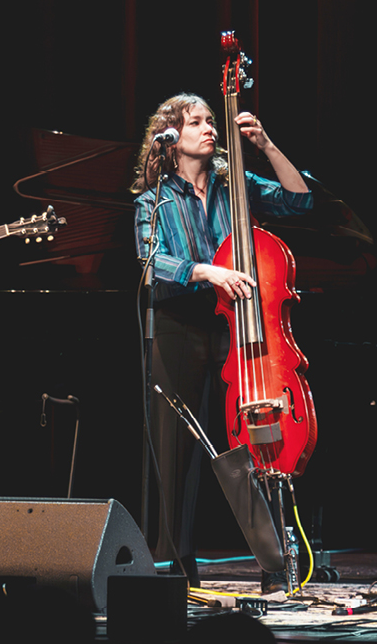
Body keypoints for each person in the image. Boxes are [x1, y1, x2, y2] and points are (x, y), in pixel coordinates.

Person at [132, 93, 313, 590]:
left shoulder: (239, 186)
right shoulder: (154, 200)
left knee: (255, 445)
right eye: (196, 122)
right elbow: (152, 266)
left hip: (239, 329)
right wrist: (206, 271)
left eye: (212, 120)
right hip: (179, 327)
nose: (209, 128)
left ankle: (276, 565)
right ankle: (175, 568)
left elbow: (300, 199)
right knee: (177, 456)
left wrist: (267, 145)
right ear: (170, 138)